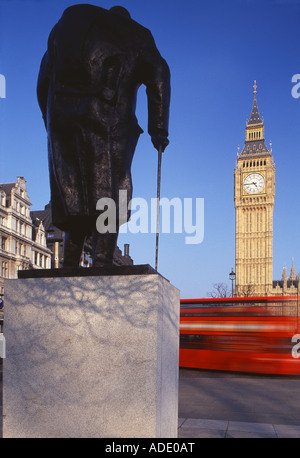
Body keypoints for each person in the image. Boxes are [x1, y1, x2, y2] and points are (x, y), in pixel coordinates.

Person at [37, 4, 171, 267]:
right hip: (109, 119)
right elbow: (160, 74)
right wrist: (159, 129)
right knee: (113, 187)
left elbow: (43, 81)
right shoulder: (137, 34)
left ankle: (70, 262)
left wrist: (50, 120)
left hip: (62, 116)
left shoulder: (62, 30)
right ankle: (101, 260)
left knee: (71, 191)